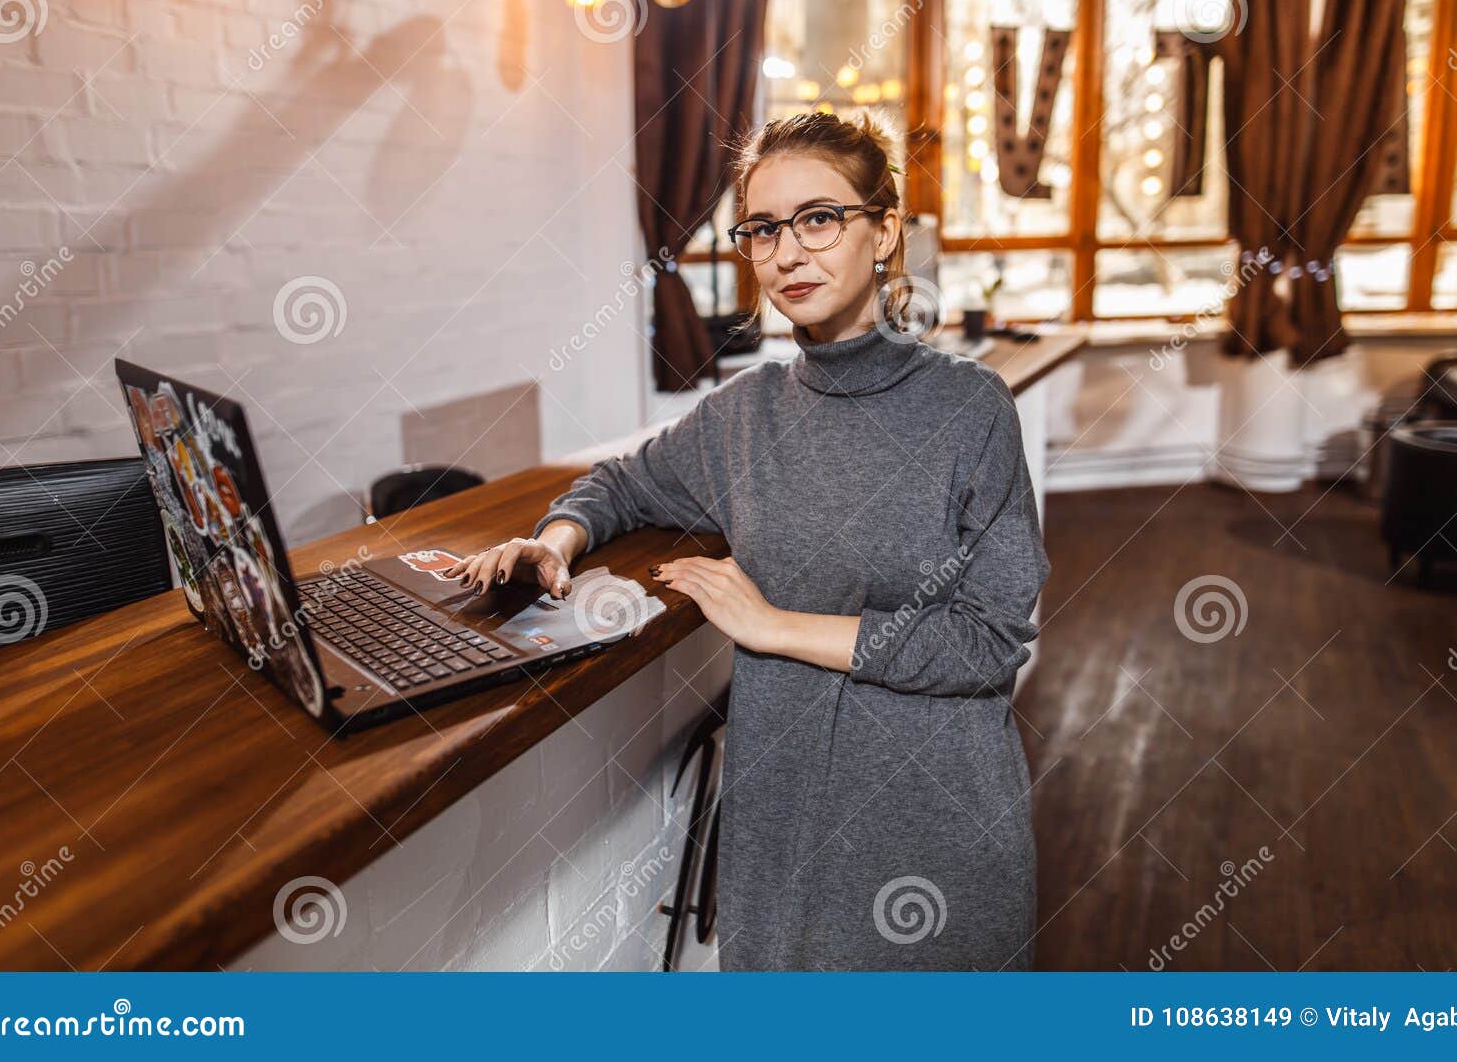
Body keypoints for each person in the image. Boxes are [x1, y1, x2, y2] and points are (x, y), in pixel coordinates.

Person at [445, 109, 1051, 970]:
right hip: (784, 819)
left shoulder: (969, 408)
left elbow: (988, 642)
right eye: (763, 229)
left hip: (933, 815)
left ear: (883, 233)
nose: (788, 253)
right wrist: (558, 539)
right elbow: (620, 482)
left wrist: (772, 626)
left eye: (818, 218)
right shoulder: (743, 415)